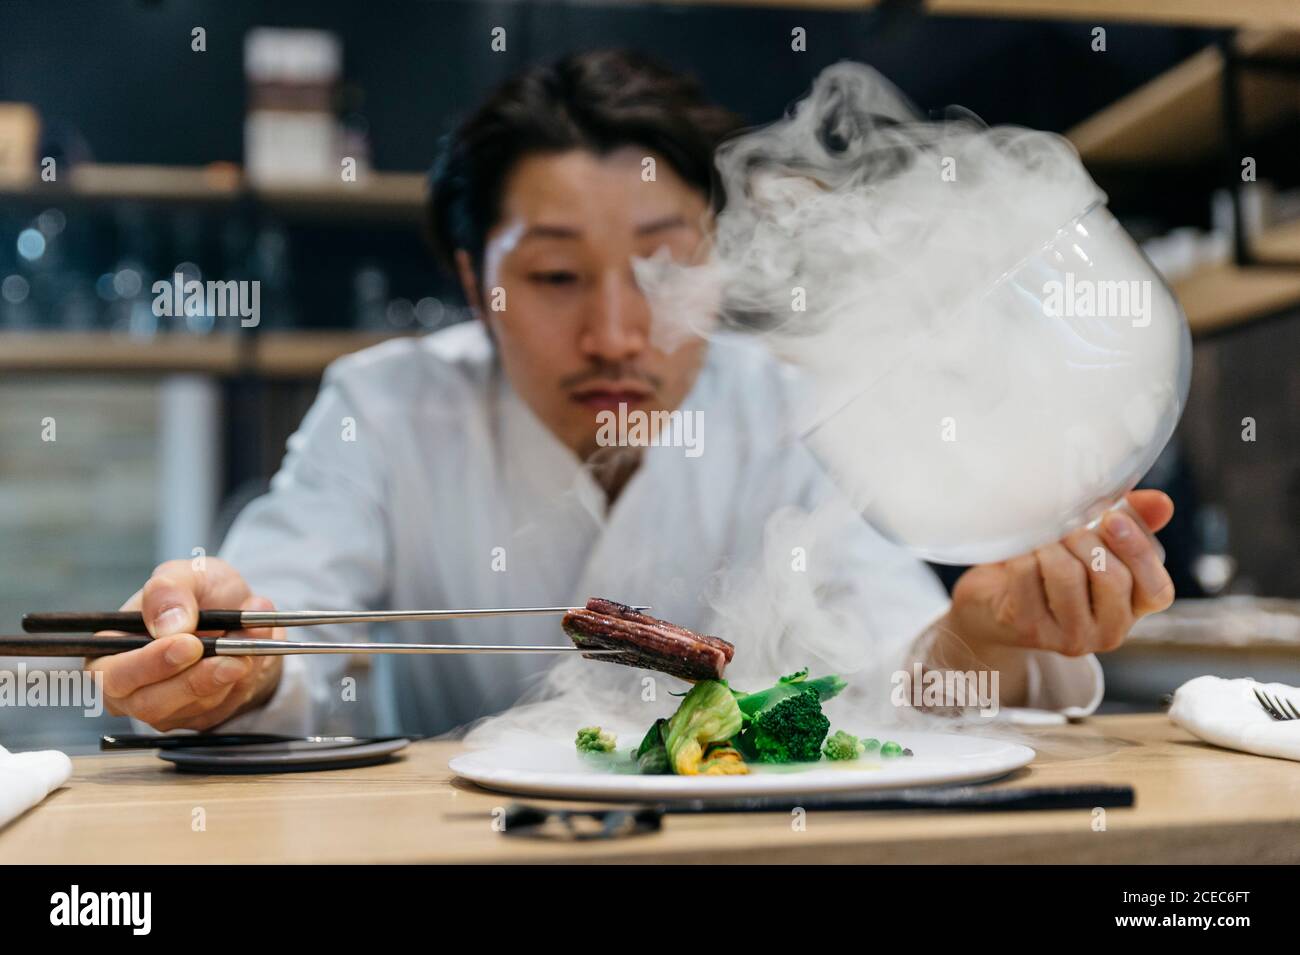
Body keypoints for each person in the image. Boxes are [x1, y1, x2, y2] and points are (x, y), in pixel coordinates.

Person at [89, 50, 1175, 736]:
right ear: (474, 280)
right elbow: (285, 630)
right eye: (554, 276)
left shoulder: (775, 406)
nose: (615, 333)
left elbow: (902, 677)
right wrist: (224, 663)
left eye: (663, 269)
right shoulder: (384, 408)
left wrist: (984, 643)